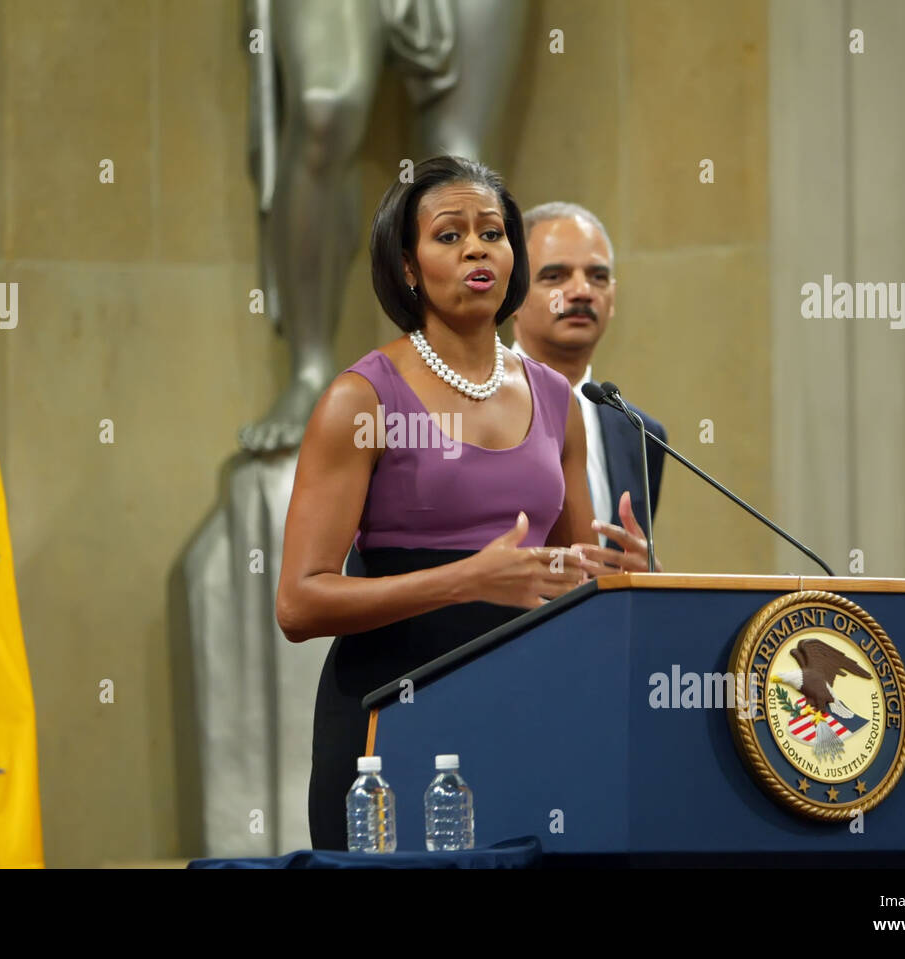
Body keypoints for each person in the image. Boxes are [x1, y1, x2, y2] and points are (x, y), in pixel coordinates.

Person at [277, 156, 647, 850]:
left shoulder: (555, 398)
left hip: (528, 707)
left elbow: (576, 580)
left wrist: (631, 578)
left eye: (492, 232)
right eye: (450, 235)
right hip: (391, 715)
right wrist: (465, 580)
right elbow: (298, 603)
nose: (477, 246)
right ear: (409, 267)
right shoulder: (361, 399)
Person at [510, 202, 666, 563]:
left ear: (612, 299)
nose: (582, 291)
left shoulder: (641, 433)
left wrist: (648, 580)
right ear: (512, 295)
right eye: (555, 276)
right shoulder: (471, 404)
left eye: (597, 276)